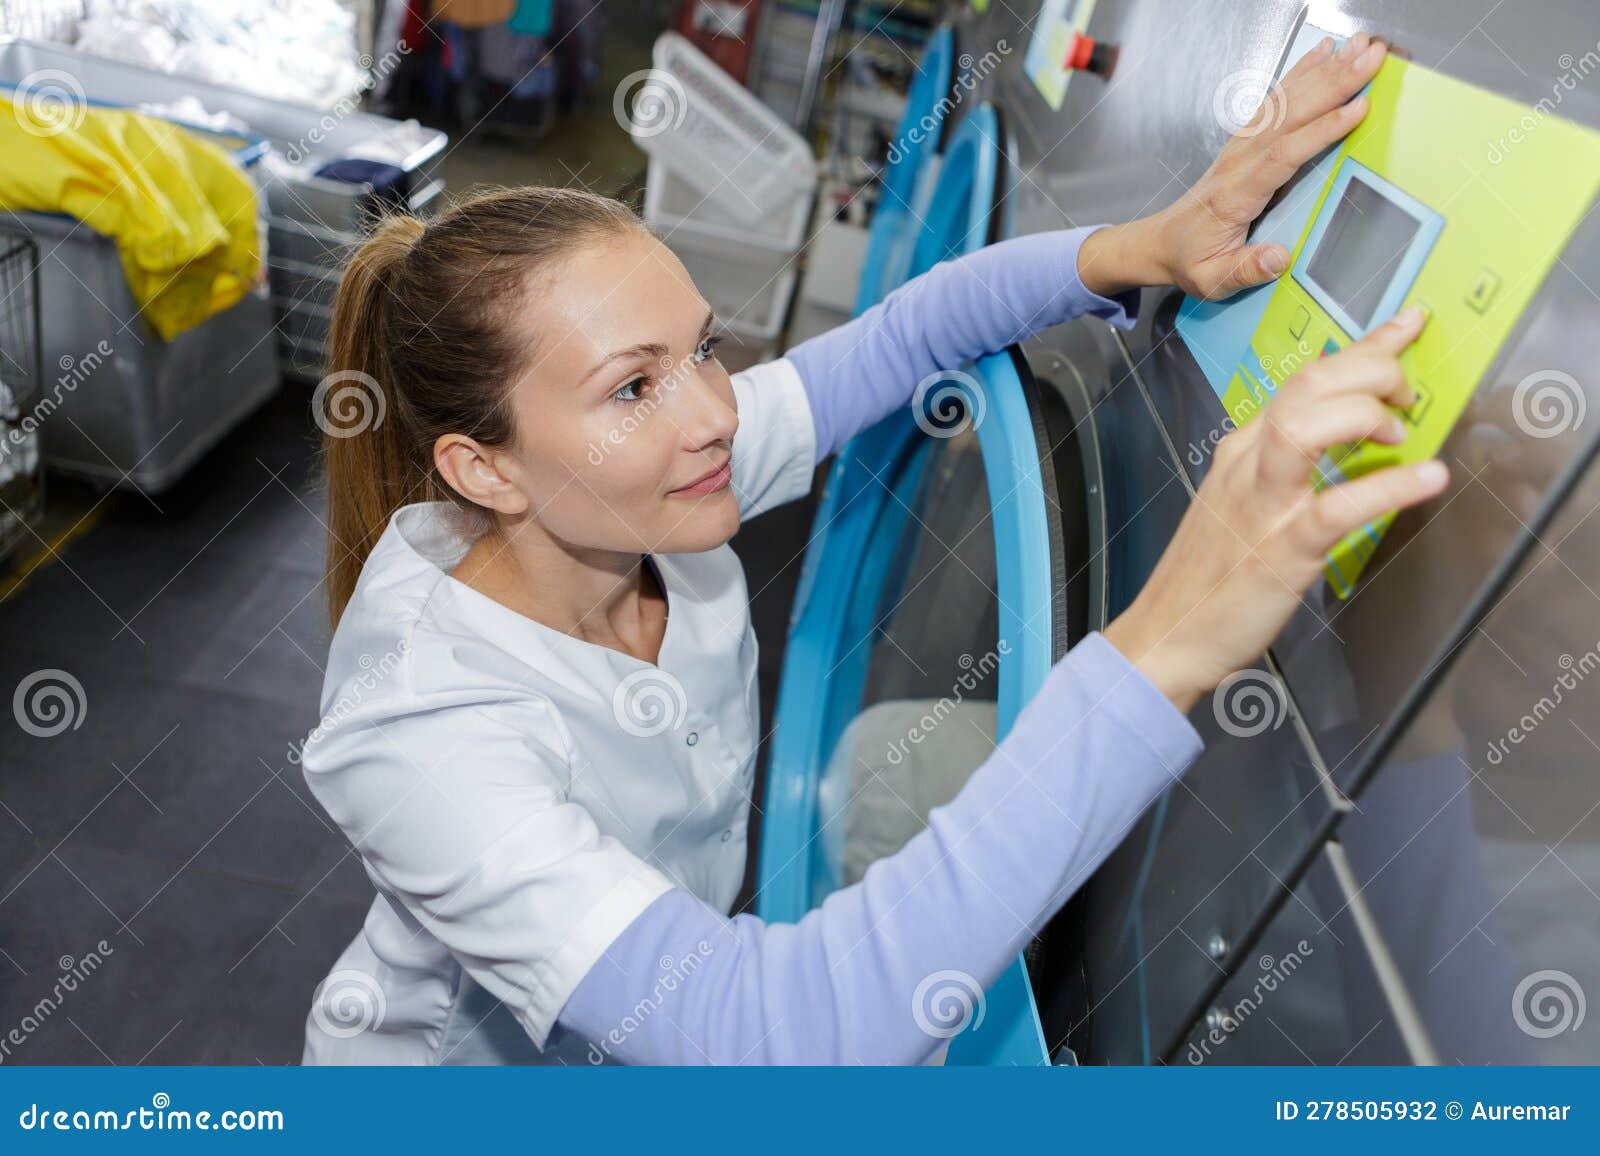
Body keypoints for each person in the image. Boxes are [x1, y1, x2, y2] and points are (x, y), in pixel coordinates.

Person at [299, 32, 1442, 1064]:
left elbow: (908, 332)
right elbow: (771, 1038)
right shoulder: (422, 734)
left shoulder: (643, 485)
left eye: (701, 349)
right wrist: (1166, 641)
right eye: (632, 385)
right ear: (483, 469)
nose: (711, 412)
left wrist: (1145, 242)